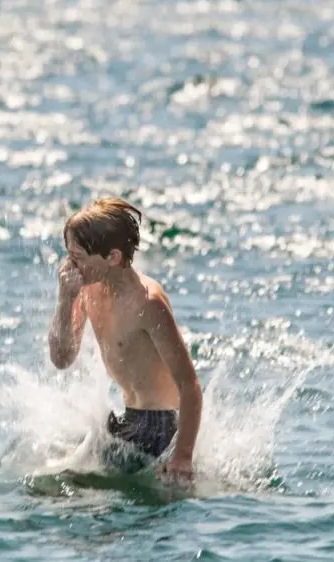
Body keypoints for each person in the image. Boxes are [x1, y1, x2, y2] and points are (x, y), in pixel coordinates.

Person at [48, 197, 202, 483]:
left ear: (112, 258)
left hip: (157, 428)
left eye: (78, 257)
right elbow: (62, 359)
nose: (71, 266)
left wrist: (183, 456)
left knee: (69, 484)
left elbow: (190, 385)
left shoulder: (148, 303)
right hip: (126, 418)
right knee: (48, 463)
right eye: (69, 255)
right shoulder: (86, 288)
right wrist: (64, 299)